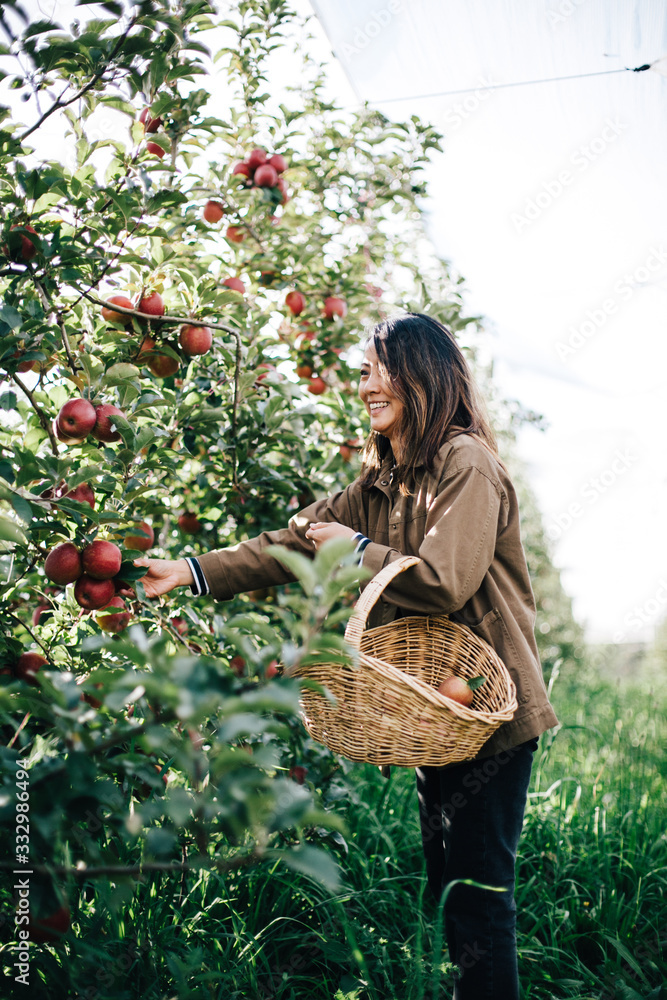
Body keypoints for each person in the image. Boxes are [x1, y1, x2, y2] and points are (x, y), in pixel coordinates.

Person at [136, 313, 558, 999]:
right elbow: (295, 539)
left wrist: (356, 550)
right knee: (449, 883)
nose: (361, 386)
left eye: (372, 370)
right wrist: (188, 570)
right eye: (360, 373)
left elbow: (445, 580)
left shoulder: (465, 463)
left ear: (419, 372)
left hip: (486, 708)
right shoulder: (380, 481)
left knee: (480, 887)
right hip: (434, 706)